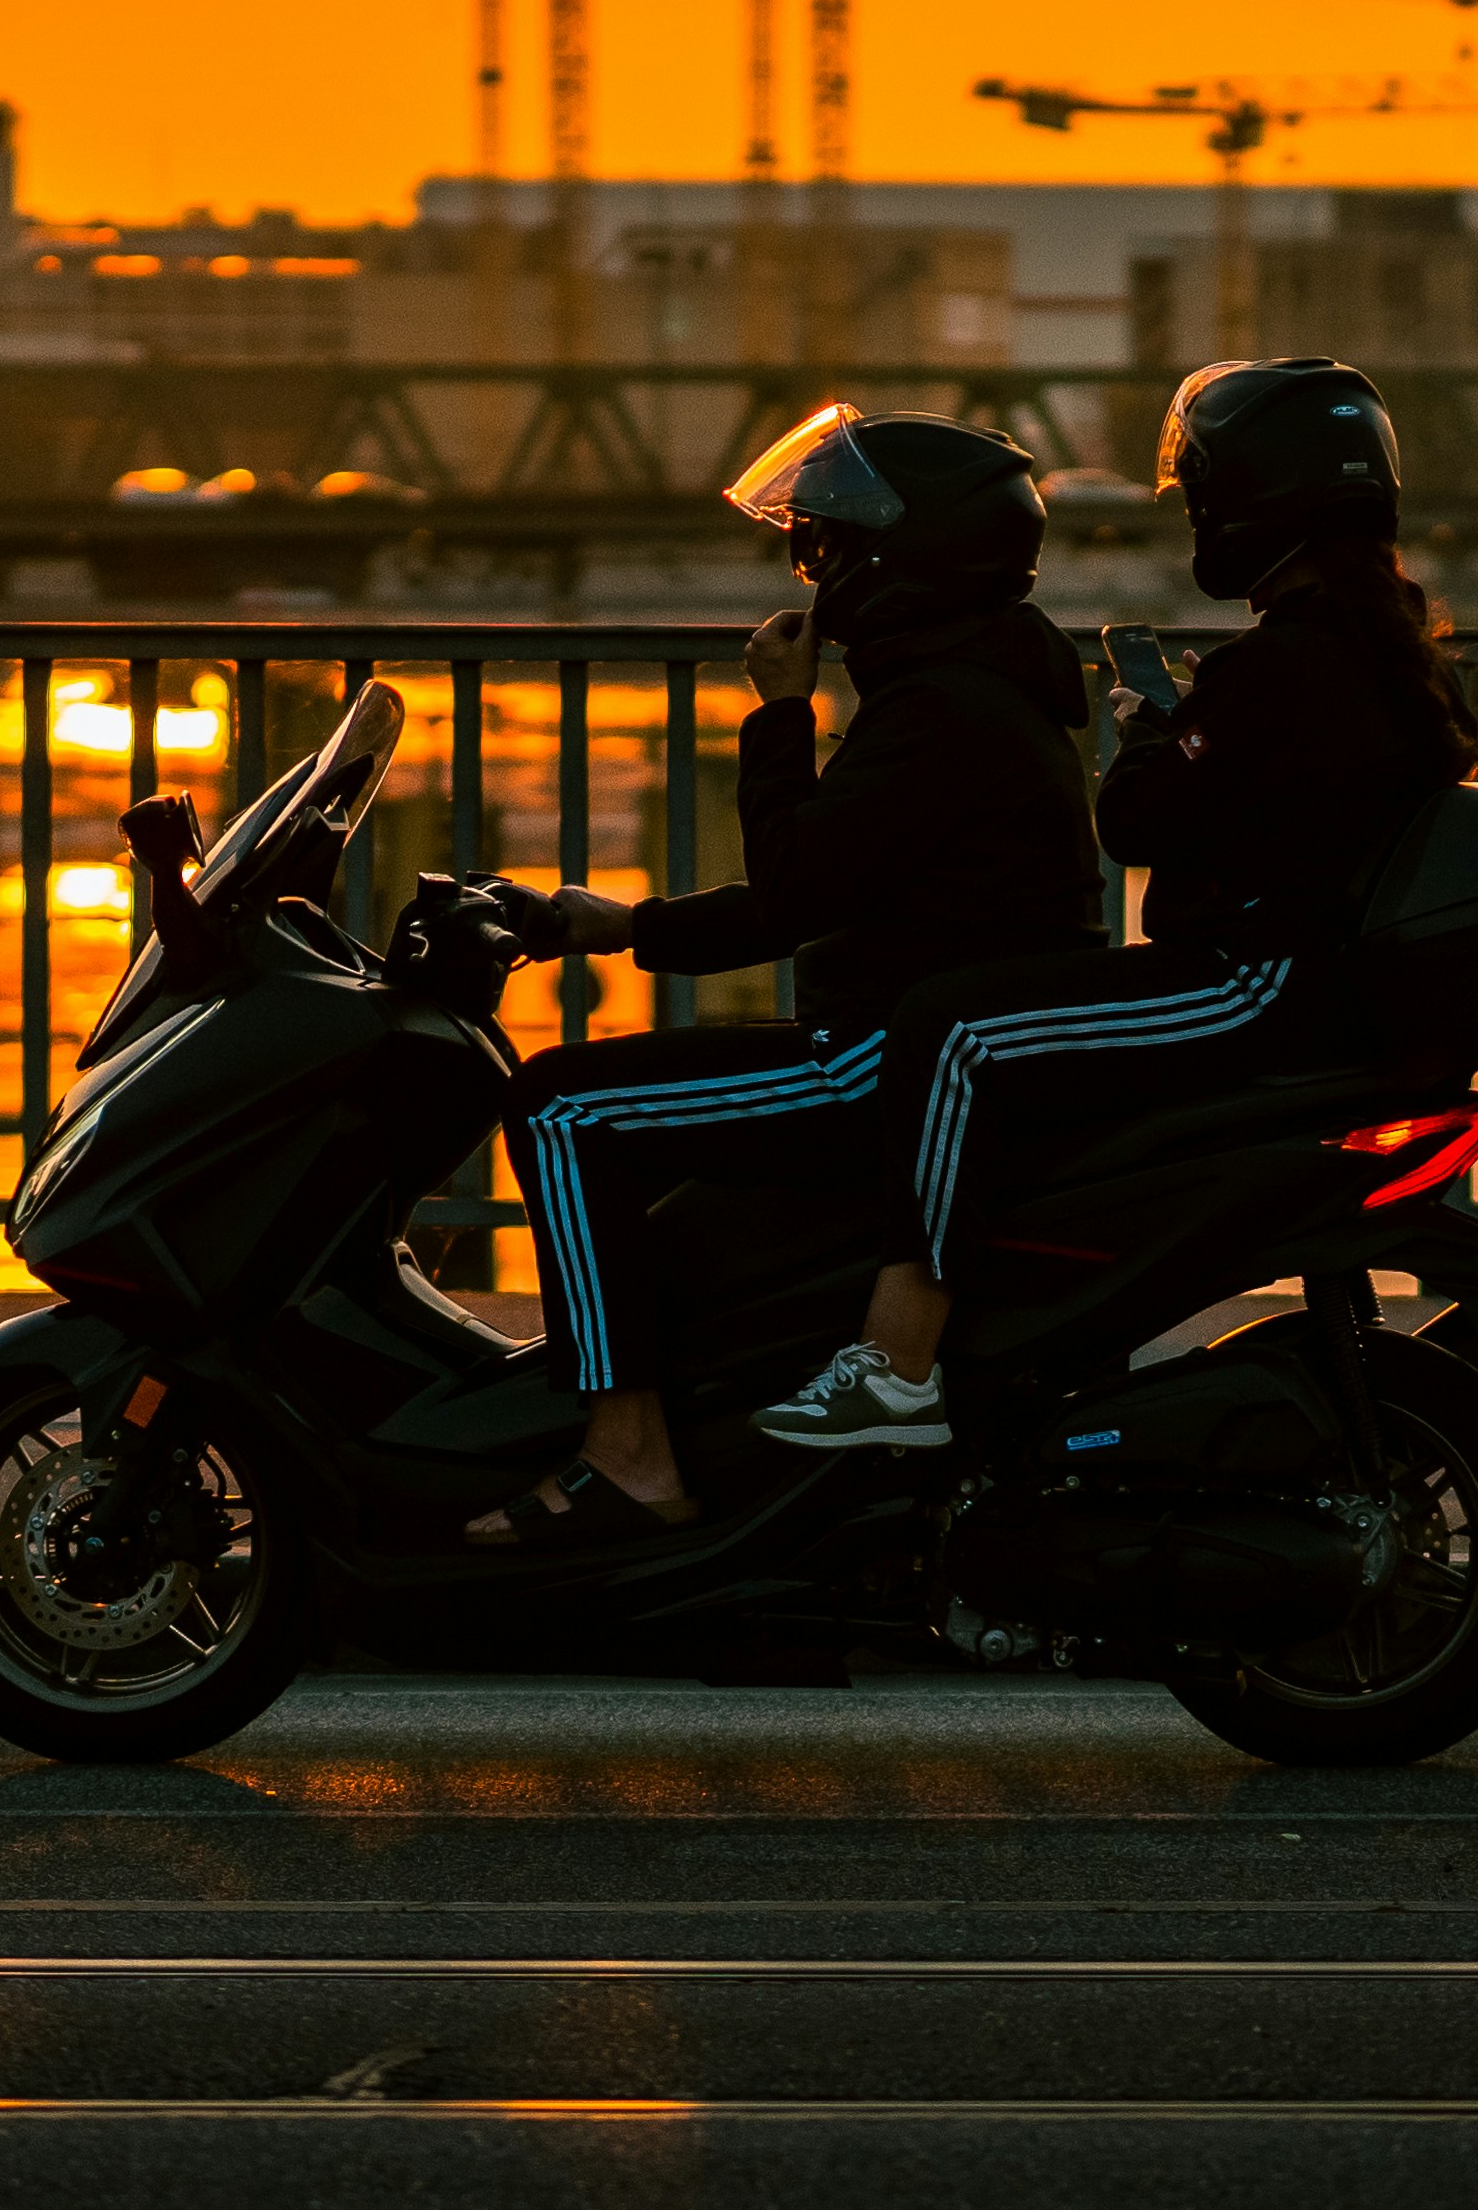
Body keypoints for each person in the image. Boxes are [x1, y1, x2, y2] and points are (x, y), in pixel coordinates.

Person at [750, 358, 1478, 1452]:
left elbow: (1136, 822)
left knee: (950, 1026)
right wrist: (1201, 728)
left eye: (1198, 499)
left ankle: (897, 1365)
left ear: (1250, 506)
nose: (1194, 517)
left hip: (1252, 981)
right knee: (970, 1021)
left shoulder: (1288, 663)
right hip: (1315, 976)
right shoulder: (1390, 651)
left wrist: (1151, 731)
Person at [469, 403, 1104, 1546]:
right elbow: (826, 888)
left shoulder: (945, 708)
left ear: (896, 559)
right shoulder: (977, 682)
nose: (807, 567)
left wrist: (778, 717)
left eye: (821, 545)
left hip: (881, 1057)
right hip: (908, 1035)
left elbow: (801, 881)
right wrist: (620, 929)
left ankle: (629, 1454)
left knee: (561, 1107)